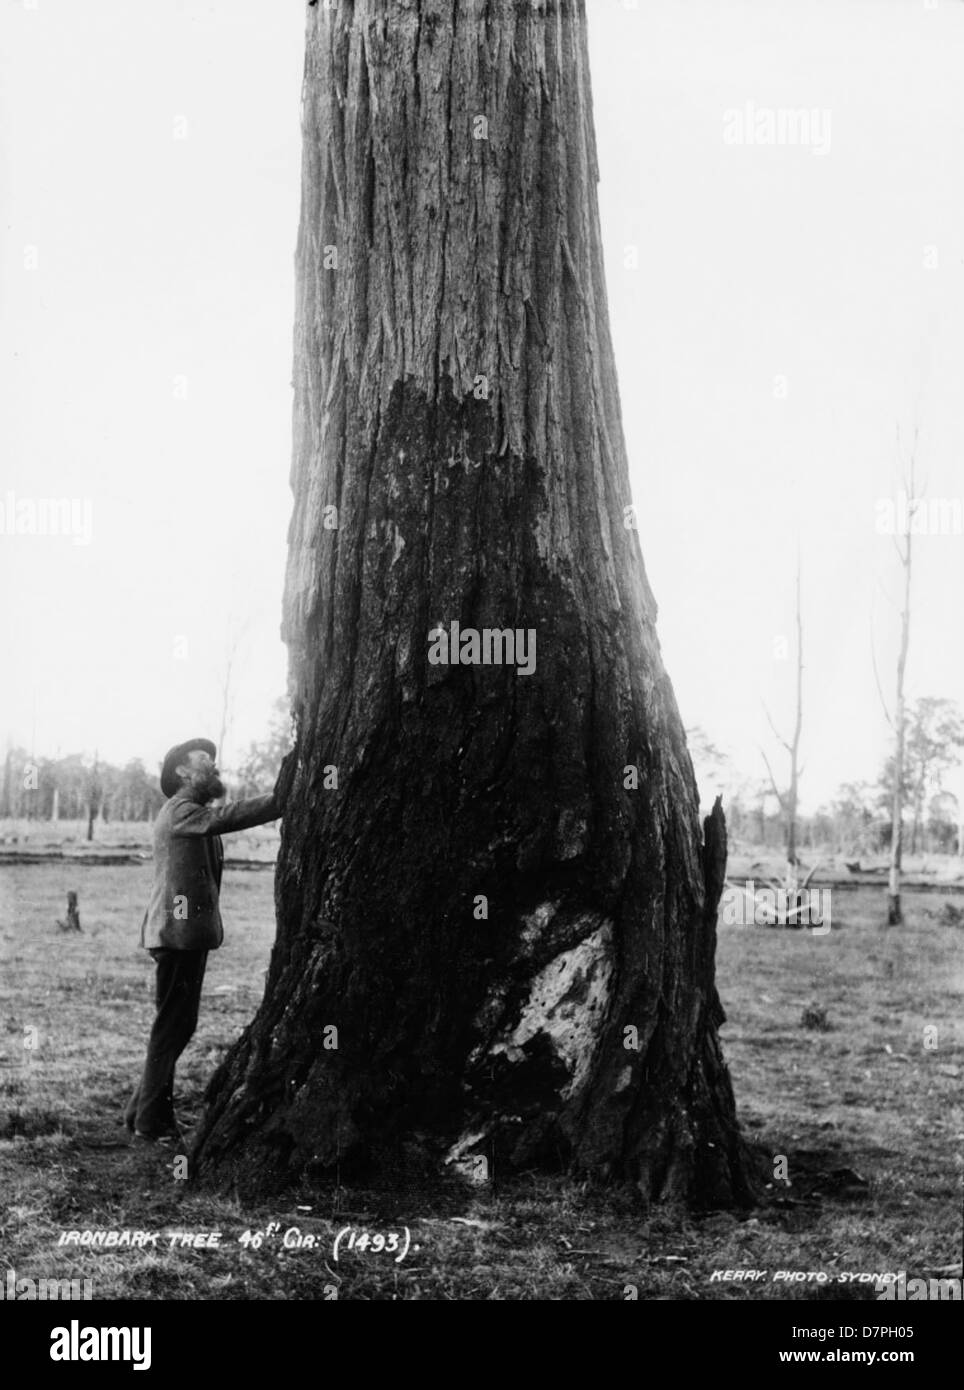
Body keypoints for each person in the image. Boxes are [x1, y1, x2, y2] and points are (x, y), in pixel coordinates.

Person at [124, 737, 290, 1146]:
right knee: (173, 1027)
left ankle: (138, 1113)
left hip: (182, 936)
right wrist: (282, 796)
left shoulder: (190, 813)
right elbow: (228, 817)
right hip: (176, 936)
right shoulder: (182, 809)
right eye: (204, 761)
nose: (213, 767)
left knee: (174, 1025)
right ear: (182, 770)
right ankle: (150, 1123)